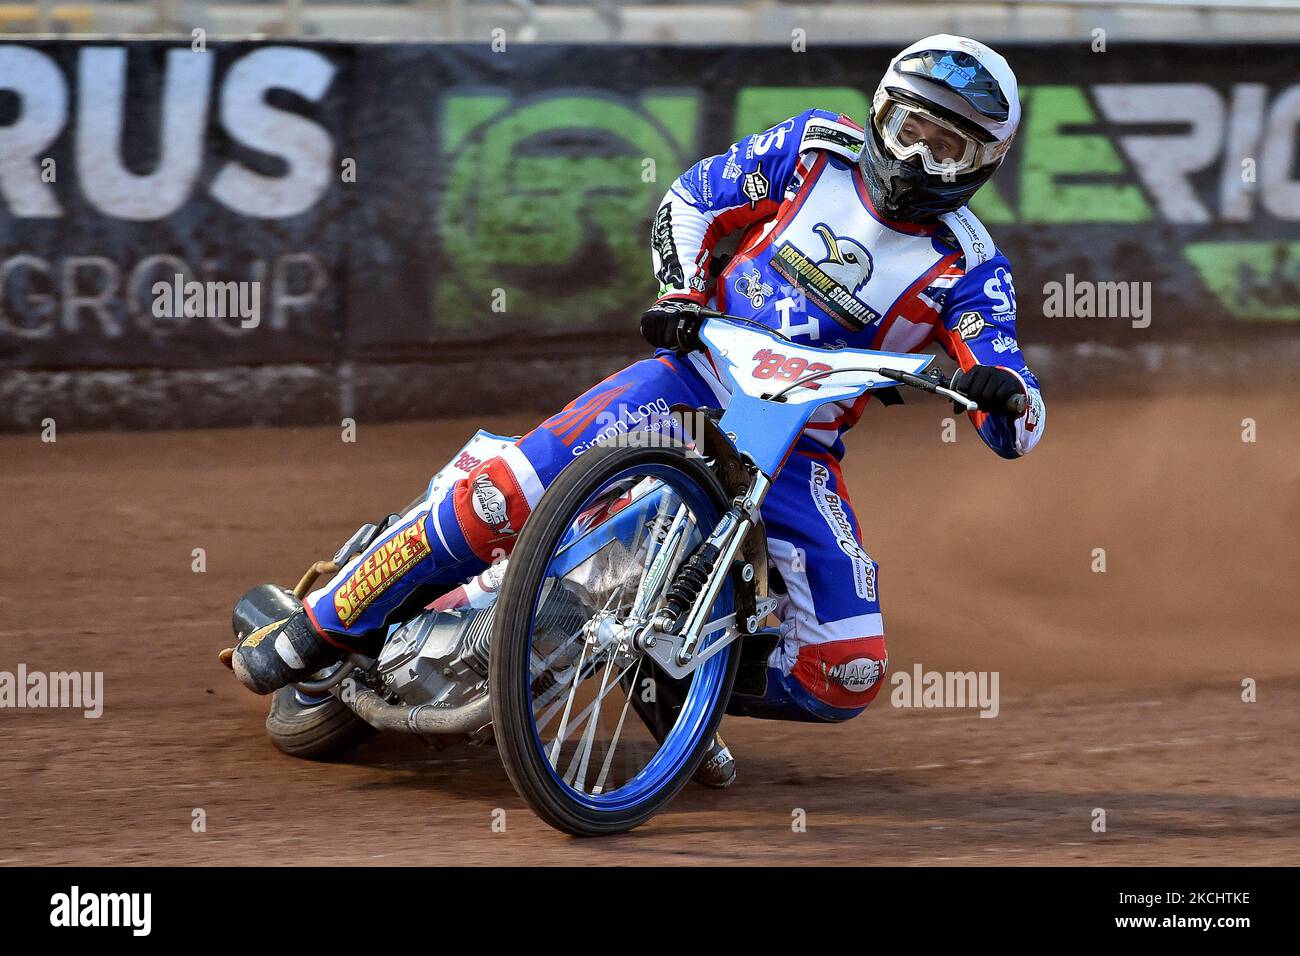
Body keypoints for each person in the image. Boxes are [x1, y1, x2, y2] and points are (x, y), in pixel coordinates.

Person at [230, 35, 1046, 788]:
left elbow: (1012, 402)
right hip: (691, 378)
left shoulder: (972, 268)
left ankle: (675, 676)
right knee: (501, 497)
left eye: (949, 148)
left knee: (848, 673)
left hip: (800, 446)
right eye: (909, 129)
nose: (917, 157)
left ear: (986, 164)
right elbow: (692, 199)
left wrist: (1004, 398)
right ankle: (313, 630)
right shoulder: (813, 147)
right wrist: (682, 293)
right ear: (878, 113)